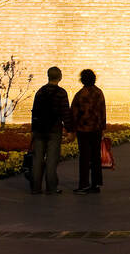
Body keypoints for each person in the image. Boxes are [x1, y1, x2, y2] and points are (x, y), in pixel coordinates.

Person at [29, 66, 69, 195]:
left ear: (48, 76)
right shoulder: (61, 93)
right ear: (60, 77)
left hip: (39, 130)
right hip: (54, 129)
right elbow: (65, 112)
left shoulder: (40, 92)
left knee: (37, 159)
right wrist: (69, 128)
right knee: (52, 159)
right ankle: (51, 188)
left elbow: (34, 111)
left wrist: (33, 129)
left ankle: (35, 187)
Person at [68, 68, 107, 194]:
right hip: (96, 129)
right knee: (96, 157)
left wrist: (71, 130)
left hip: (83, 130)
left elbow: (74, 113)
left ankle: (84, 184)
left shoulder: (80, 94)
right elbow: (102, 111)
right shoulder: (99, 93)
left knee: (84, 157)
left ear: (82, 80)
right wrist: (102, 128)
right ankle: (95, 184)